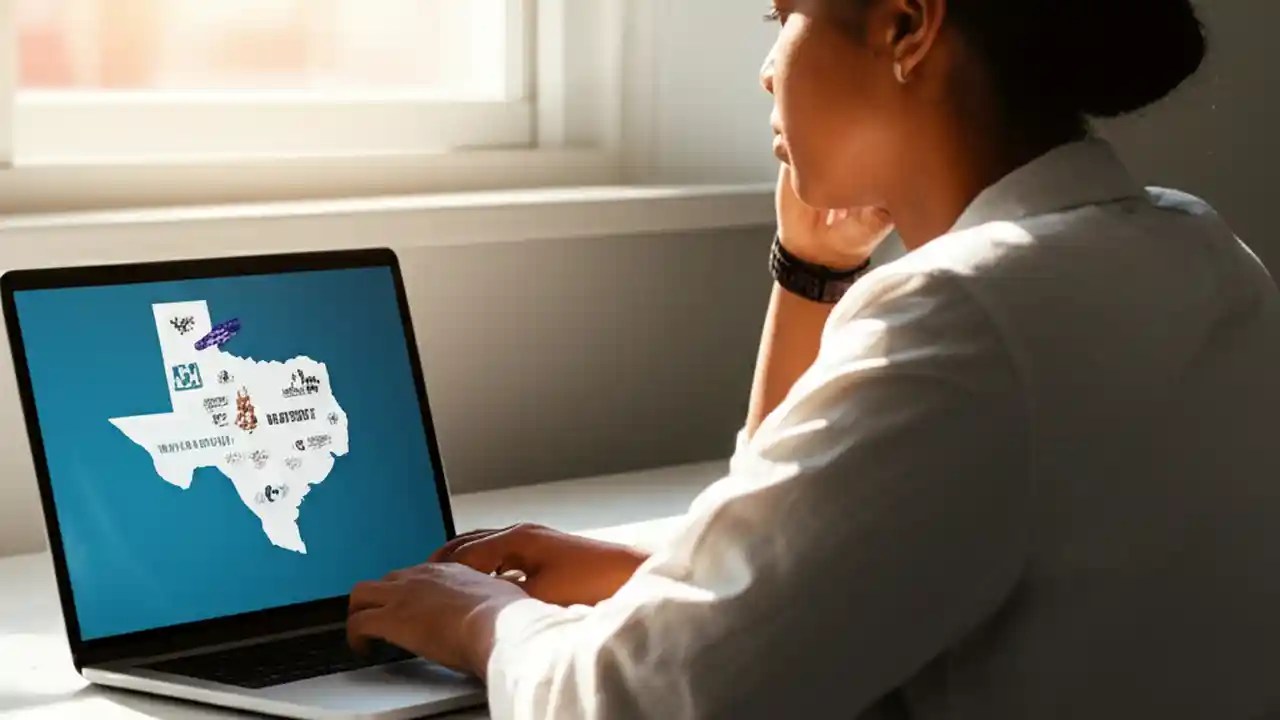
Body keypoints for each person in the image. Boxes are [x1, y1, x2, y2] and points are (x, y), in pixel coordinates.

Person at [346, 0, 1280, 717]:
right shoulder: (1190, 244)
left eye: (782, 17)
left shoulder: (966, 316)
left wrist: (475, 617)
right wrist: (812, 272)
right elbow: (835, 537)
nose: (764, 72)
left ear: (906, 26)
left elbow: (639, 701)